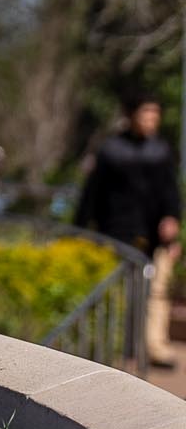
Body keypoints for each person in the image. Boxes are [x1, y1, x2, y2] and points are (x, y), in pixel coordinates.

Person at [77, 99, 183, 369]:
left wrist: (173, 221)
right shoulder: (112, 150)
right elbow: (93, 193)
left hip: (154, 236)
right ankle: (115, 352)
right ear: (132, 115)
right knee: (118, 294)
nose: (151, 119)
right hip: (116, 233)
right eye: (146, 113)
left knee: (156, 293)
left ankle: (154, 348)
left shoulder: (160, 150)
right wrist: (81, 229)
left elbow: (170, 191)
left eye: (155, 114)